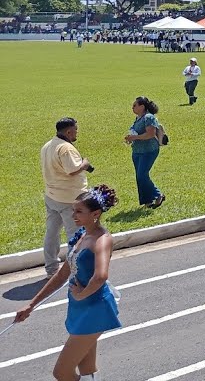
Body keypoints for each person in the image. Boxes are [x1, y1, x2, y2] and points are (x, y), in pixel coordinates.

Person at [14, 185, 122, 381]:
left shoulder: (102, 240)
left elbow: (101, 276)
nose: (74, 215)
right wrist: (32, 304)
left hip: (95, 309)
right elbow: (63, 273)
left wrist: (82, 294)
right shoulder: (82, 235)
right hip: (80, 308)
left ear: (96, 213)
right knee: (87, 368)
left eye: (79, 211)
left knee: (61, 372)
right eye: (73, 210)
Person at [41, 117, 91, 277]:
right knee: (75, 234)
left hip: (51, 196)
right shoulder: (65, 148)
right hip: (69, 198)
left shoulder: (48, 145)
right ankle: (75, 269)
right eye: (76, 130)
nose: (77, 132)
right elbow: (72, 169)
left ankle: (51, 269)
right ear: (69, 131)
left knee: (52, 232)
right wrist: (84, 163)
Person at [124, 96, 165, 208]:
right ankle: (147, 201)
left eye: (134, 105)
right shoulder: (138, 118)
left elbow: (150, 134)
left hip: (149, 150)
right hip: (137, 151)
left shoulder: (149, 118)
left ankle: (158, 195)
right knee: (139, 177)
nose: (132, 108)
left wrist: (134, 138)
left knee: (142, 175)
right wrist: (130, 138)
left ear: (142, 106)